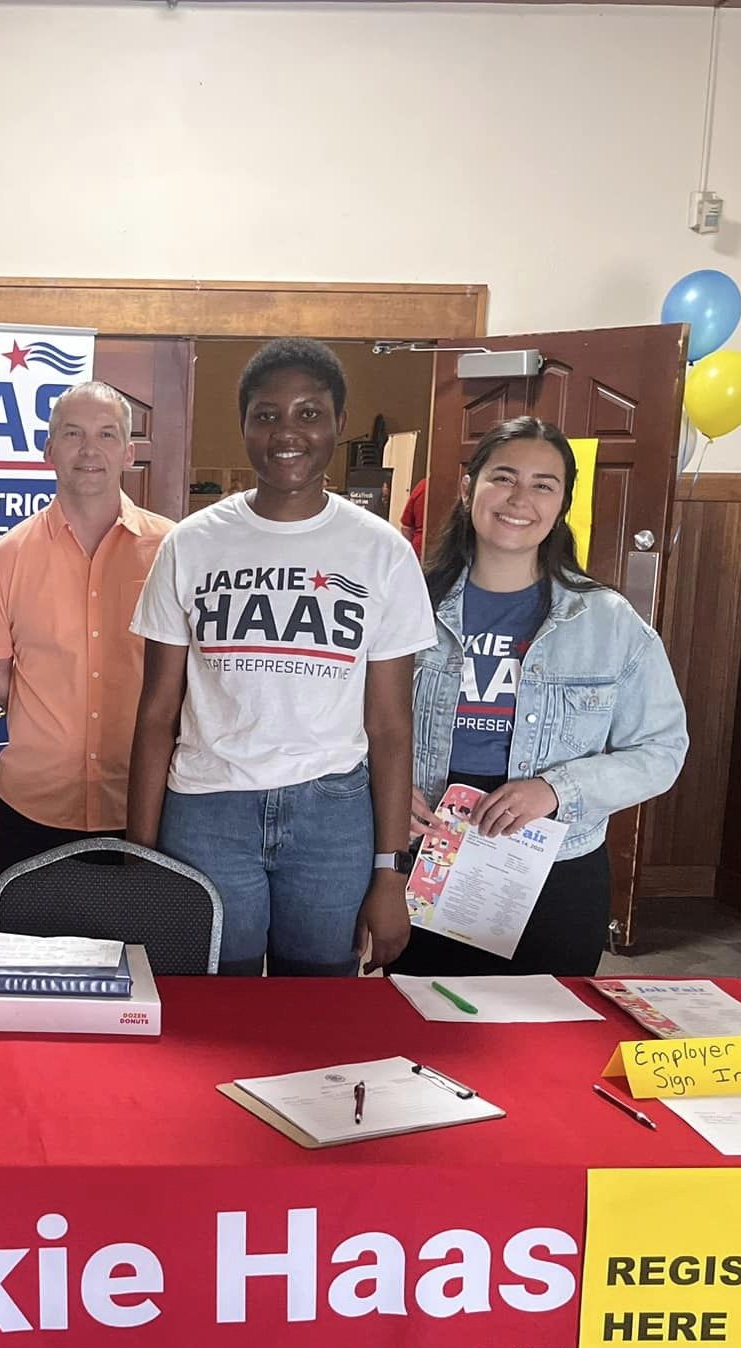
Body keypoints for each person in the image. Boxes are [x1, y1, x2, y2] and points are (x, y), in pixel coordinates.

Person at [126, 339, 434, 976]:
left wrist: (388, 870)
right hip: (208, 809)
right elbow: (157, 712)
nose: (287, 432)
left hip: (333, 815)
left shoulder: (382, 551)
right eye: (266, 415)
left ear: (338, 424)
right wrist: (142, 853)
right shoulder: (190, 545)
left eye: (309, 414)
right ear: (243, 425)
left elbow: (390, 726)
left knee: (319, 1000)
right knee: (216, 999)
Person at [394, 415, 688, 978]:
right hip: (426, 850)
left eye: (543, 485)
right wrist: (381, 790)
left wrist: (555, 790)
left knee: (545, 1033)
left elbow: (662, 751)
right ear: (468, 488)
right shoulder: (407, 605)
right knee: (421, 1025)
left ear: (562, 505)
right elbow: (348, 720)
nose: (519, 498)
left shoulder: (607, 621)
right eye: (503, 478)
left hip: (555, 861)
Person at [0, 382, 175, 877]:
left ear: (128, 451)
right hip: (34, 807)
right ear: (49, 449)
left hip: (145, 804)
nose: (89, 449)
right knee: (26, 953)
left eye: (106, 434)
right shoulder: (6, 556)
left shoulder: (174, 550)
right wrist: (48, 712)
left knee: (142, 951)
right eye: (73, 433)